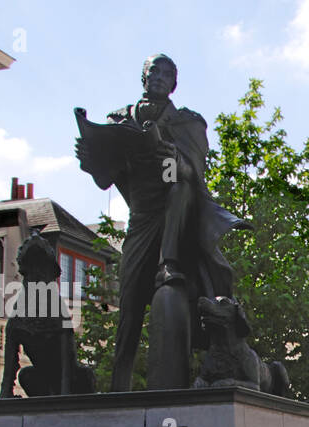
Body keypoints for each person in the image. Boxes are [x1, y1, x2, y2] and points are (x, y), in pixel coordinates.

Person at [75, 54, 247, 391]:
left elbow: (194, 176)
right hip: (140, 218)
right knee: (129, 308)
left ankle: (168, 262)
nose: (159, 76)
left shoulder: (187, 123)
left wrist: (174, 162)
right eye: (153, 69)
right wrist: (90, 160)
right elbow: (106, 179)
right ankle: (118, 391)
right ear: (143, 75)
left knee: (178, 185)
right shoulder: (119, 119)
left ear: (174, 83)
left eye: (167, 73)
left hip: (176, 217)